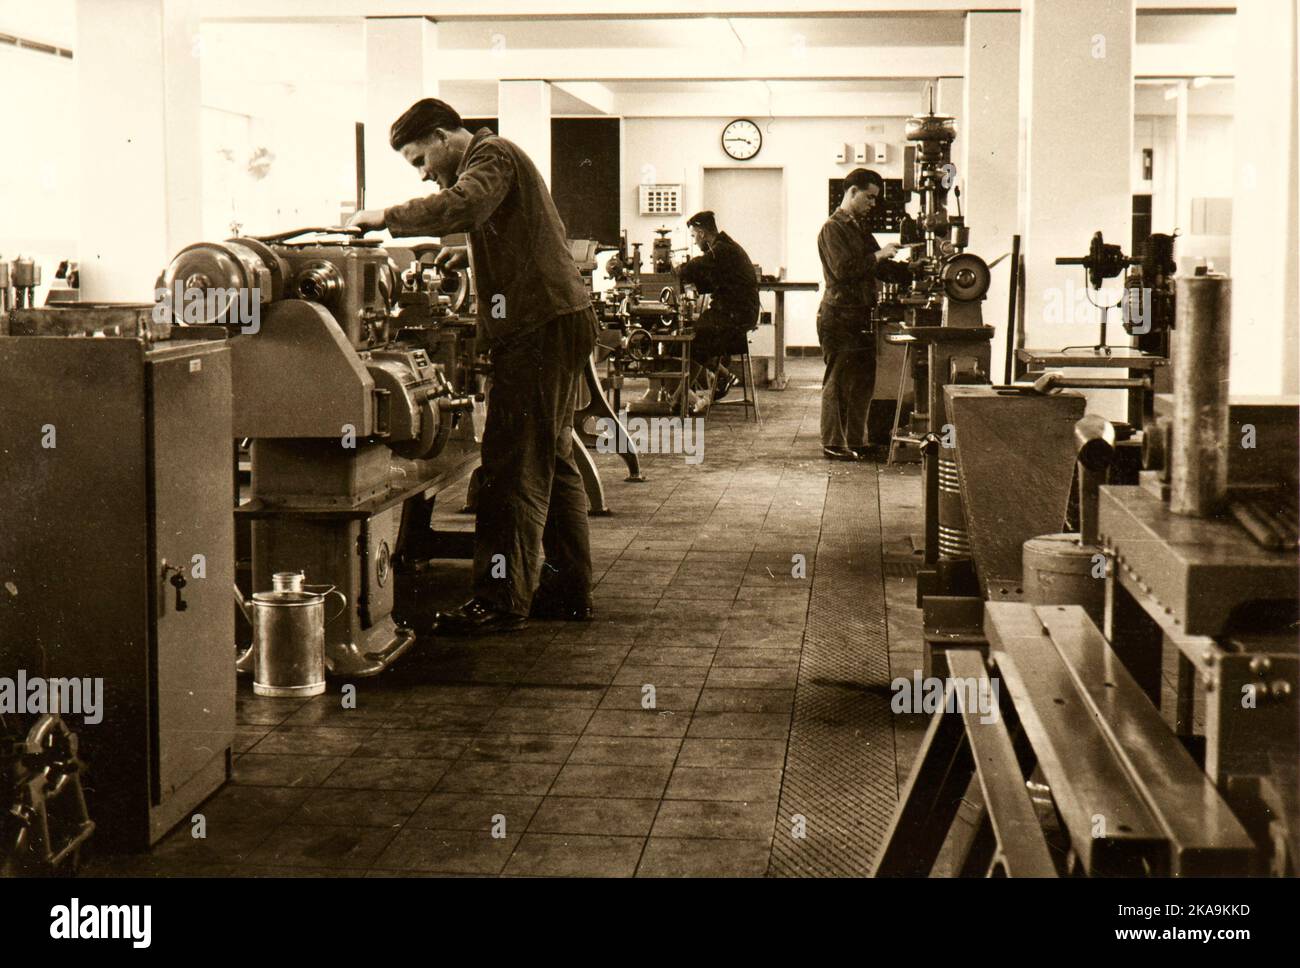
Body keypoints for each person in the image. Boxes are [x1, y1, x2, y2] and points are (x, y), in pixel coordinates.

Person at [348, 98, 597, 635]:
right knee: (550, 460)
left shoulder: (492, 154)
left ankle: (500, 599)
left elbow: (463, 204)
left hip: (538, 330)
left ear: (442, 136)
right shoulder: (496, 159)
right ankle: (566, 590)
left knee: (510, 468)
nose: (423, 174)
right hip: (554, 322)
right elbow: (501, 224)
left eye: (420, 160)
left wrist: (385, 217)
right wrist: (475, 258)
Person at [815, 168, 910, 461]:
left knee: (864, 381)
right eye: (869, 197)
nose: (872, 204)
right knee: (839, 381)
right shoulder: (833, 228)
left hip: (861, 316)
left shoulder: (858, 226)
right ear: (852, 192)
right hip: (839, 315)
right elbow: (844, 270)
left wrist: (914, 271)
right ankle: (833, 442)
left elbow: (879, 268)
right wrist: (879, 254)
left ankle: (856, 439)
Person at [677, 211, 761, 401]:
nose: (694, 242)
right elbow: (708, 281)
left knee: (688, 340)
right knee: (696, 332)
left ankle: (723, 376)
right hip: (738, 312)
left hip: (735, 315)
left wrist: (674, 271)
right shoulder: (724, 248)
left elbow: (694, 267)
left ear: (701, 233)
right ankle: (683, 395)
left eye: (693, 236)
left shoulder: (721, 250)